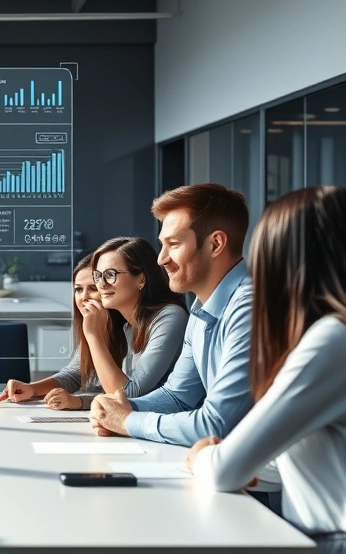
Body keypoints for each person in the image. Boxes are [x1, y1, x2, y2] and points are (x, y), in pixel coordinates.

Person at [187, 186, 346, 550]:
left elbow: (224, 471)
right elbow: (329, 456)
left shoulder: (336, 341)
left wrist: (202, 458)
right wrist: (247, 463)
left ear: (285, 267)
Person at [89, 183, 254, 447]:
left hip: (257, 483)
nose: (161, 259)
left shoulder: (249, 310)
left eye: (174, 244)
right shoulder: (201, 310)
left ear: (215, 244)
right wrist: (119, 407)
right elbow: (178, 396)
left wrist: (127, 420)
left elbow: (217, 425)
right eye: (162, 245)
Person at [0, 237, 186, 408]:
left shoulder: (169, 317)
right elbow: (75, 374)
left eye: (110, 275)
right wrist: (31, 389)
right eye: (98, 277)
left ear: (141, 279)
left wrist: (93, 336)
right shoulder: (123, 323)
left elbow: (129, 395)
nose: (101, 285)